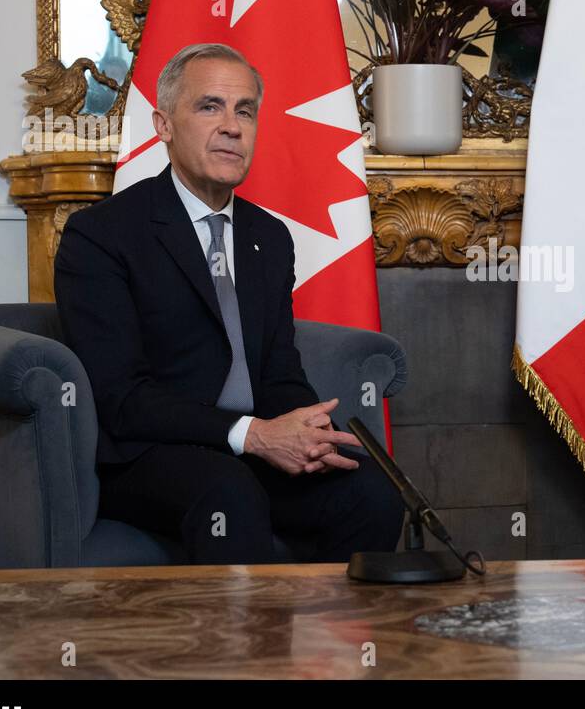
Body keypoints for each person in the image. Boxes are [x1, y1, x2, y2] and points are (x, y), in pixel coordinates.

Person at [54, 42, 405, 564]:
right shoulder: (102, 234)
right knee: (229, 493)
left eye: (245, 111)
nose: (233, 126)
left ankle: (336, 643)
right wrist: (253, 435)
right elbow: (122, 397)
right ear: (163, 125)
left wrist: (305, 432)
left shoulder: (269, 236)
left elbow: (278, 369)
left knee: (370, 490)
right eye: (209, 106)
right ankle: (243, 648)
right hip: (152, 451)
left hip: (250, 444)